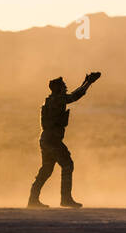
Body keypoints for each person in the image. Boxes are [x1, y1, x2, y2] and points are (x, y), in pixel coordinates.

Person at [27, 71, 101, 209]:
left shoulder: (52, 100)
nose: (65, 88)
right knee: (67, 165)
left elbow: (72, 95)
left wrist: (86, 83)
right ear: (58, 89)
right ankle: (65, 199)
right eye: (63, 86)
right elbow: (74, 96)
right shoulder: (57, 100)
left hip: (47, 139)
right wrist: (88, 83)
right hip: (52, 141)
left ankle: (33, 199)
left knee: (47, 169)